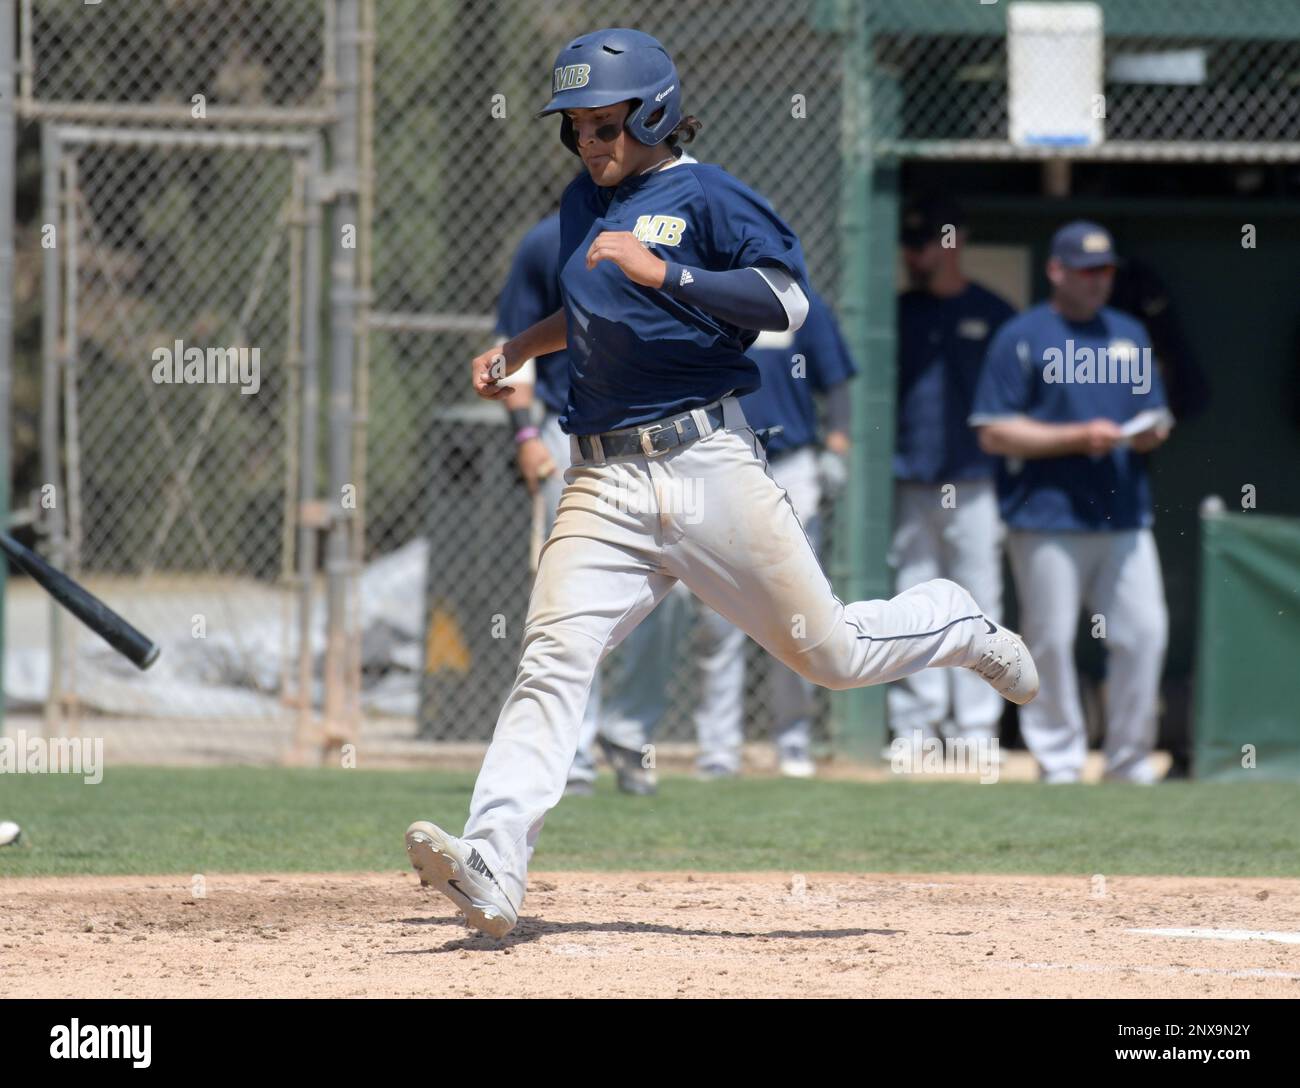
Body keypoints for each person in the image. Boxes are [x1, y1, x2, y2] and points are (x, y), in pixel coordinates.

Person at [405, 27, 1038, 938]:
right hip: (602, 480)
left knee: (830, 657)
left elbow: (786, 302)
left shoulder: (708, 194)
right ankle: (496, 867)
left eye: (607, 123)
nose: (591, 142)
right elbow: (590, 305)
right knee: (550, 659)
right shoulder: (582, 202)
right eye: (577, 126)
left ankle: (956, 621)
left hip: (708, 466)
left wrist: (666, 268)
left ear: (657, 112)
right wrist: (518, 347)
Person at [597, 288, 857, 781]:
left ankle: (793, 741)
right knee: (718, 621)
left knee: (798, 614)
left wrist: (837, 447)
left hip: (792, 462)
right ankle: (719, 750)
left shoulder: (800, 305)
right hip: (717, 464)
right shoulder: (701, 298)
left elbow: (837, 380)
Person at [971, 221, 1171, 785]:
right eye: (1086, 271)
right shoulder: (1023, 335)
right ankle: (1059, 761)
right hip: (1047, 515)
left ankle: (1130, 761)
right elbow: (993, 430)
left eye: (1105, 270)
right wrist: (1077, 436)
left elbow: (1156, 412)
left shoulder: (1128, 333)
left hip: (1125, 514)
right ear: (1056, 271)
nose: (1097, 281)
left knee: (1144, 634)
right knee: (1050, 642)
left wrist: (1150, 432)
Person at [889, 196, 1016, 756]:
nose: (916, 255)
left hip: (975, 480)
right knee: (914, 598)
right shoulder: (897, 312)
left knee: (980, 601)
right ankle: (918, 728)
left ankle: (977, 730)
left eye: (926, 242)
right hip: (909, 477)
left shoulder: (995, 313)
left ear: (954, 242)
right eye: (909, 245)